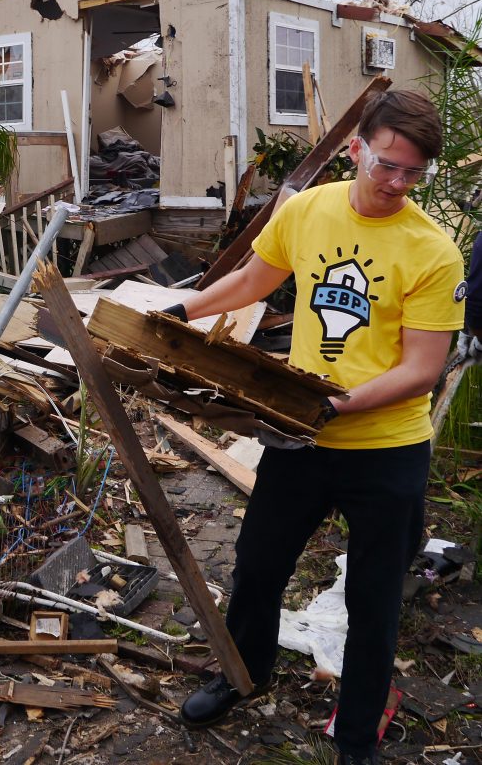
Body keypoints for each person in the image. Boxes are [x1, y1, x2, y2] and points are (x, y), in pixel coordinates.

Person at [167, 90, 466, 765]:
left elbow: (421, 370)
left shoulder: (432, 251)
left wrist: (330, 405)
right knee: (257, 568)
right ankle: (243, 675)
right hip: (300, 441)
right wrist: (179, 313)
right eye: (387, 164)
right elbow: (252, 281)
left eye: (413, 173)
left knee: (373, 598)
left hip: (386, 451)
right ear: (356, 148)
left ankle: (356, 735)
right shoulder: (307, 210)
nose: (397, 182)